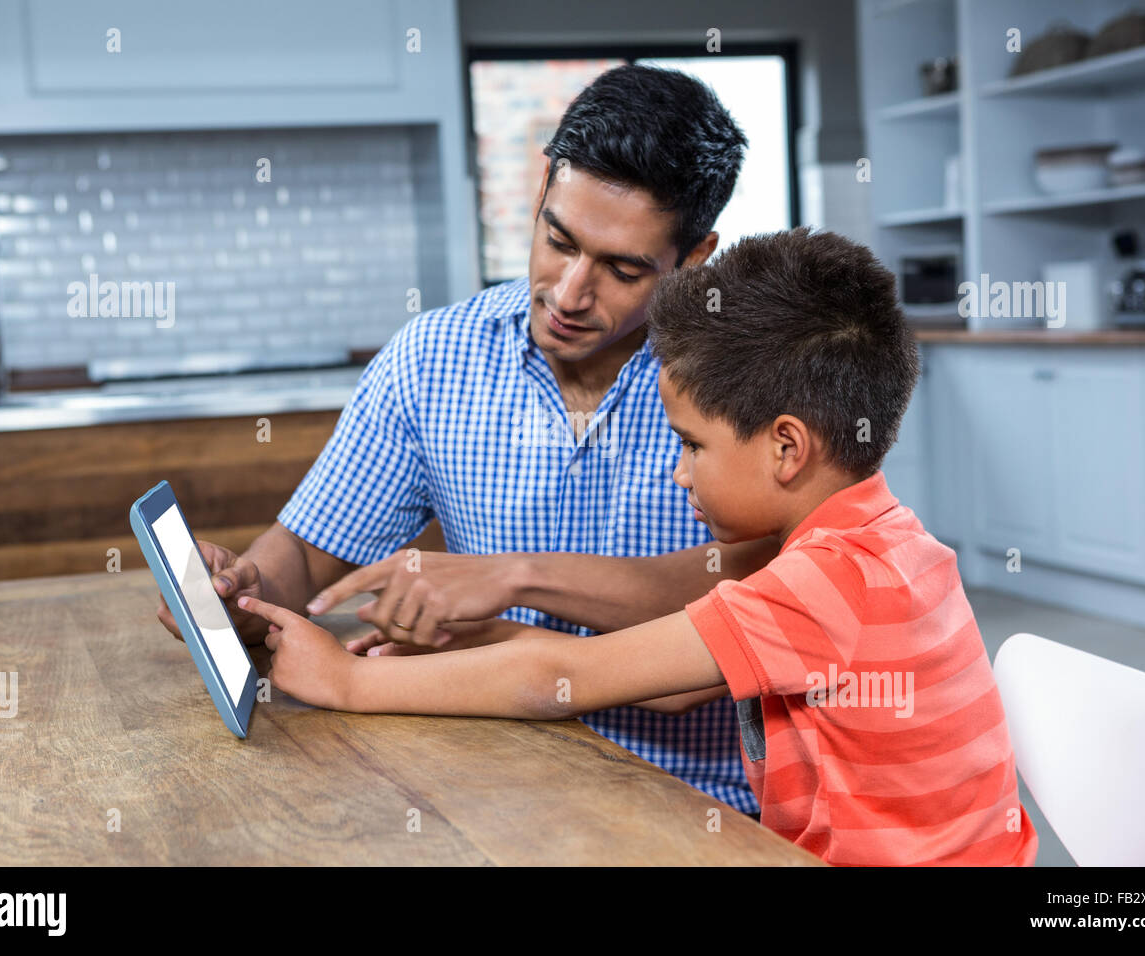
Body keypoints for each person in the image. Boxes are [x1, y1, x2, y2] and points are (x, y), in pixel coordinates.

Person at [237, 227, 1041, 867]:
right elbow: (670, 687)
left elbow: (566, 679)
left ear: (787, 449)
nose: (679, 473)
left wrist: (340, 680)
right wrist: (490, 633)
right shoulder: (883, 541)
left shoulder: (821, 581)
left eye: (690, 445)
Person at [156, 64, 772, 815]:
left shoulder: (740, 388)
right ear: (542, 185)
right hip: (486, 779)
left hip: (694, 807)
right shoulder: (433, 357)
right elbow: (313, 552)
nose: (571, 292)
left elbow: (733, 619)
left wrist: (509, 578)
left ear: (695, 259)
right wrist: (245, 589)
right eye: (559, 240)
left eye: (621, 269)